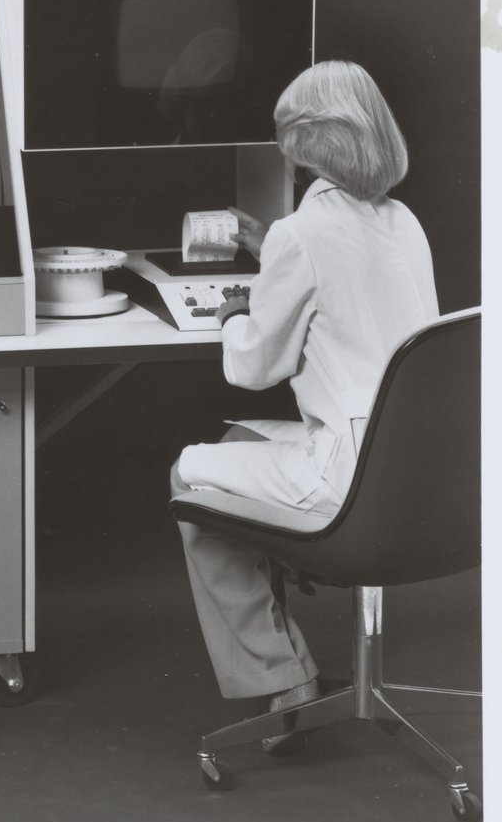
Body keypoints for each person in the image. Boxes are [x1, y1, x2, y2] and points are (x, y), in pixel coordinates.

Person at [170, 60, 439, 736]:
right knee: (235, 447)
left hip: (345, 482)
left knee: (189, 473)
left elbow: (253, 367)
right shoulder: (405, 222)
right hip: (415, 475)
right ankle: (286, 656)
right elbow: (346, 276)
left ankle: (283, 679)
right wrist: (275, 253)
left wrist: (235, 310)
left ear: (302, 141)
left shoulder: (301, 234)